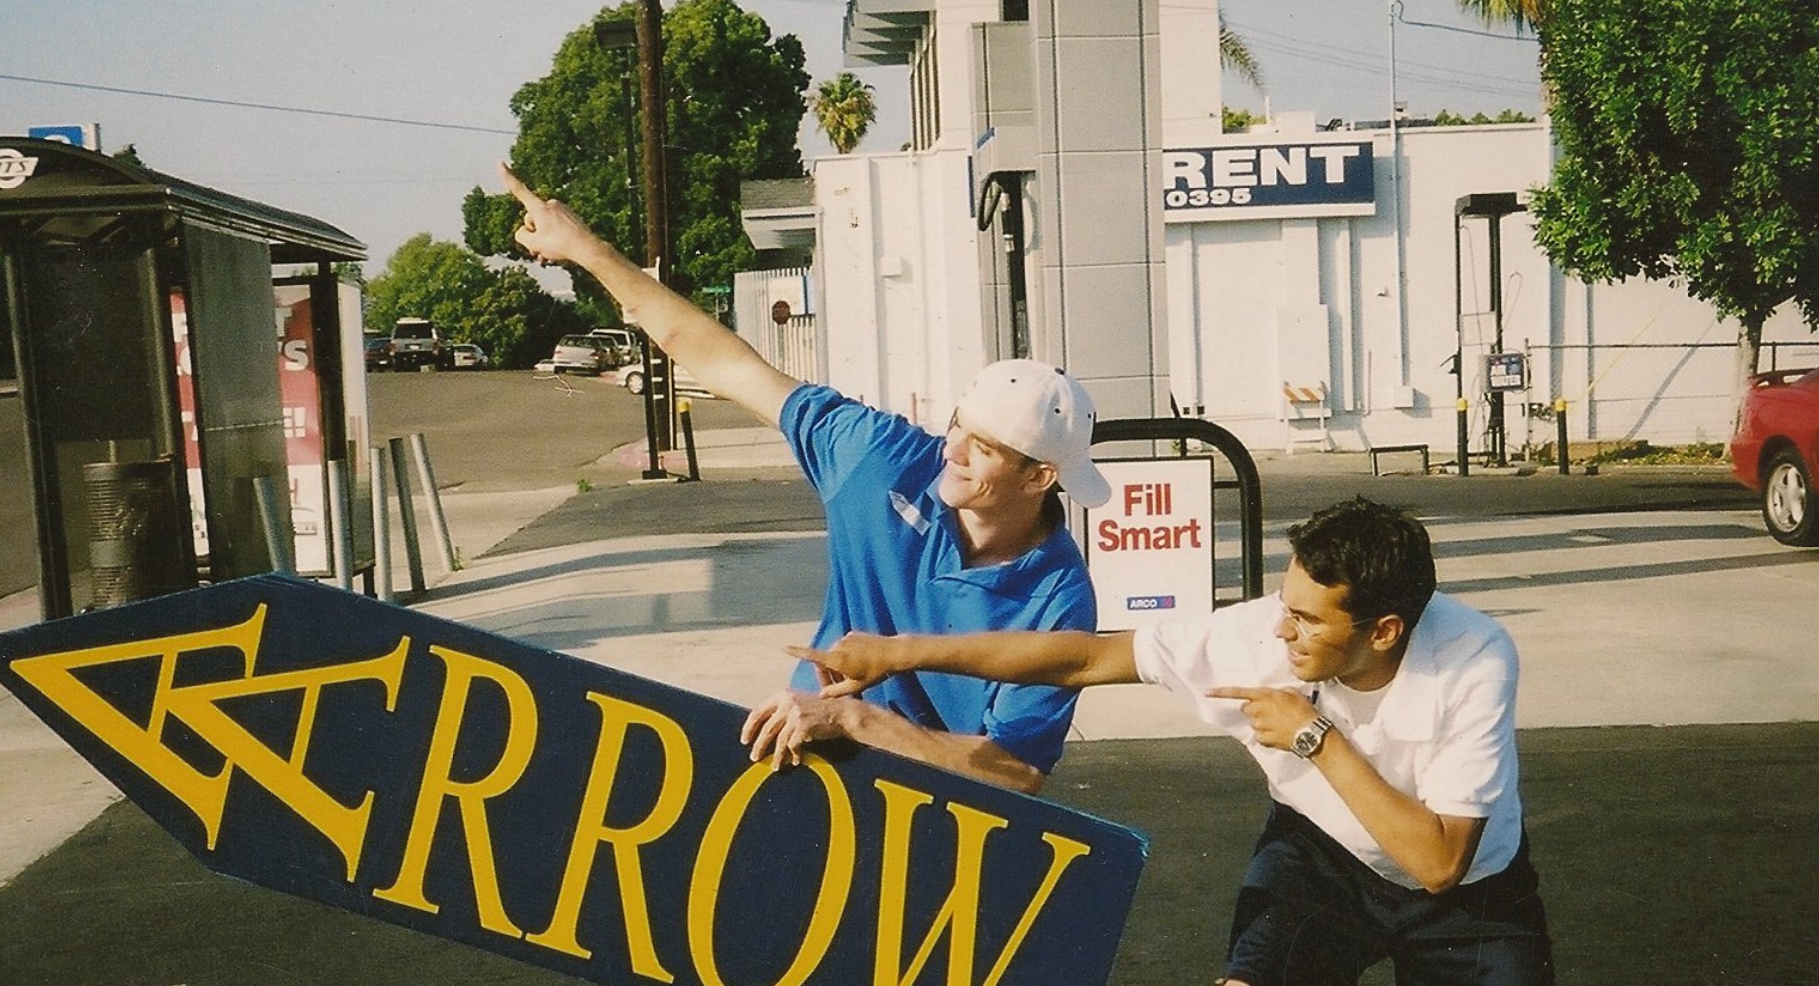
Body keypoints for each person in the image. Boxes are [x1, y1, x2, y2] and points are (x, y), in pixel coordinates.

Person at [497, 162, 1109, 793]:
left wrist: (857, 718)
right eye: (957, 425)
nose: (950, 450)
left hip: (944, 816)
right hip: (806, 770)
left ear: (1039, 477)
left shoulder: (1059, 598)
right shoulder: (882, 459)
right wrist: (583, 249)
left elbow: (1016, 773)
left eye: (981, 448)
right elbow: (719, 359)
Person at [783, 497, 1555, 984]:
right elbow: (1085, 656)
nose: (1282, 629)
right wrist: (900, 651)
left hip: (1471, 896)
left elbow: (1439, 861)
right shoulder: (1259, 632)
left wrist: (1315, 738)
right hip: (1319, 858)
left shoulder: (1475, 659)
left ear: (1385, 631)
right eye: (1285, 604)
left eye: (1310, 620)